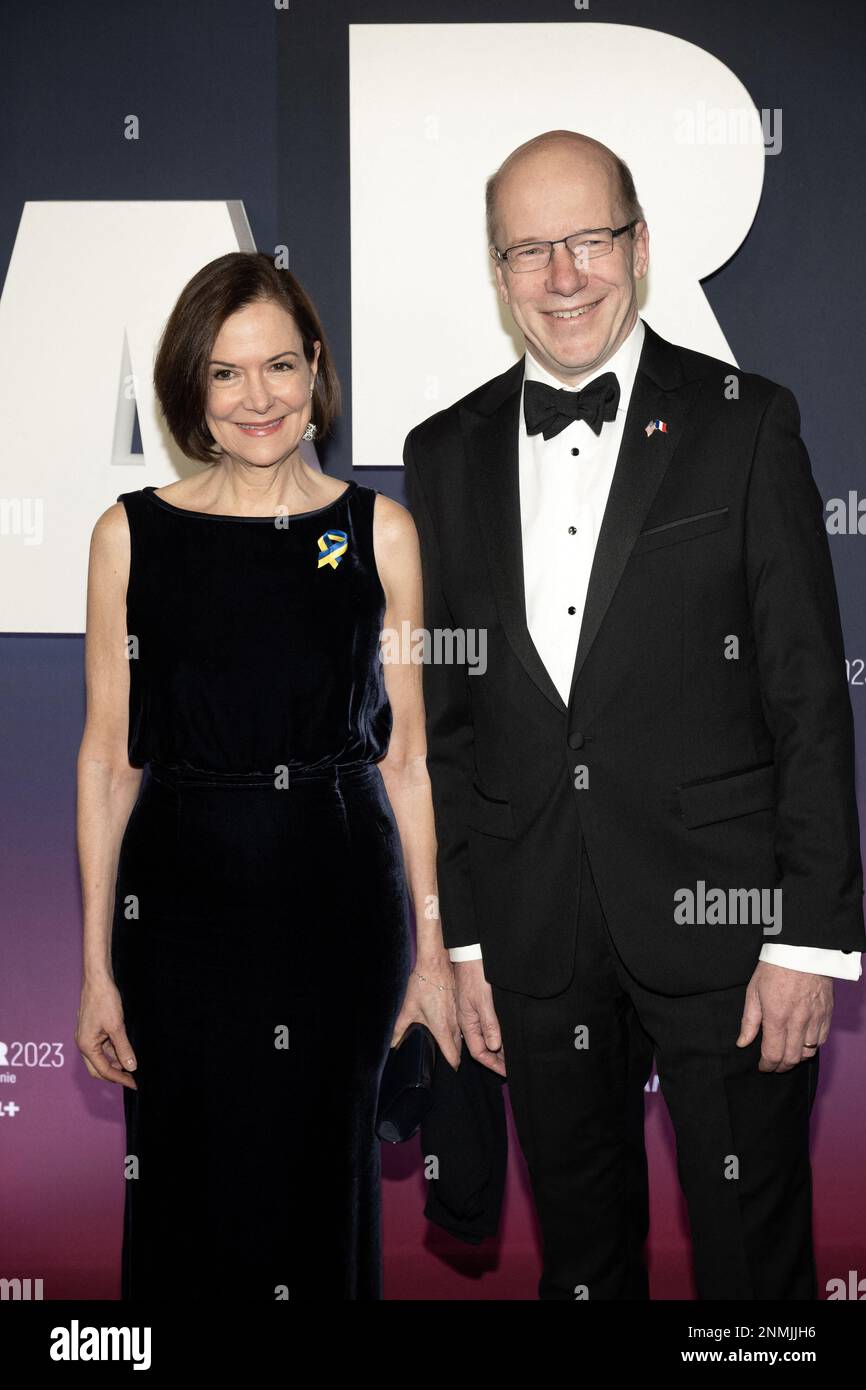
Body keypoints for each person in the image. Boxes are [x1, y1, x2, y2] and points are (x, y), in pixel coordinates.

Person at [402, 130, 865, 1300]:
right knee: (580, 1260)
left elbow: (807, 695)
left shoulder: (744, 421)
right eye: (528, 249)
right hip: (533, 937)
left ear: (640, 247)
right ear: (497, 270)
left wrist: (803, 939)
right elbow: (443, 724)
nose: (562, 275)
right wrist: (462, 945)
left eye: (589, 240)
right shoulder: (441, 454)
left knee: (751, 1267)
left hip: (725, 927)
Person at [75, 250, 459, 1301]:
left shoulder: (378, 531)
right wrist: (98, 965)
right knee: (182, 1193)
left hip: (337, 905)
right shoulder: (130, 537)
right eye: (227, 373)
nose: (258, 398)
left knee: (318, 1192)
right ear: (190, 389)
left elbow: (410, 757)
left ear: (316, 371)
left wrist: (428, 955)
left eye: (279, 366)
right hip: (179, 912)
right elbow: (108, 762)